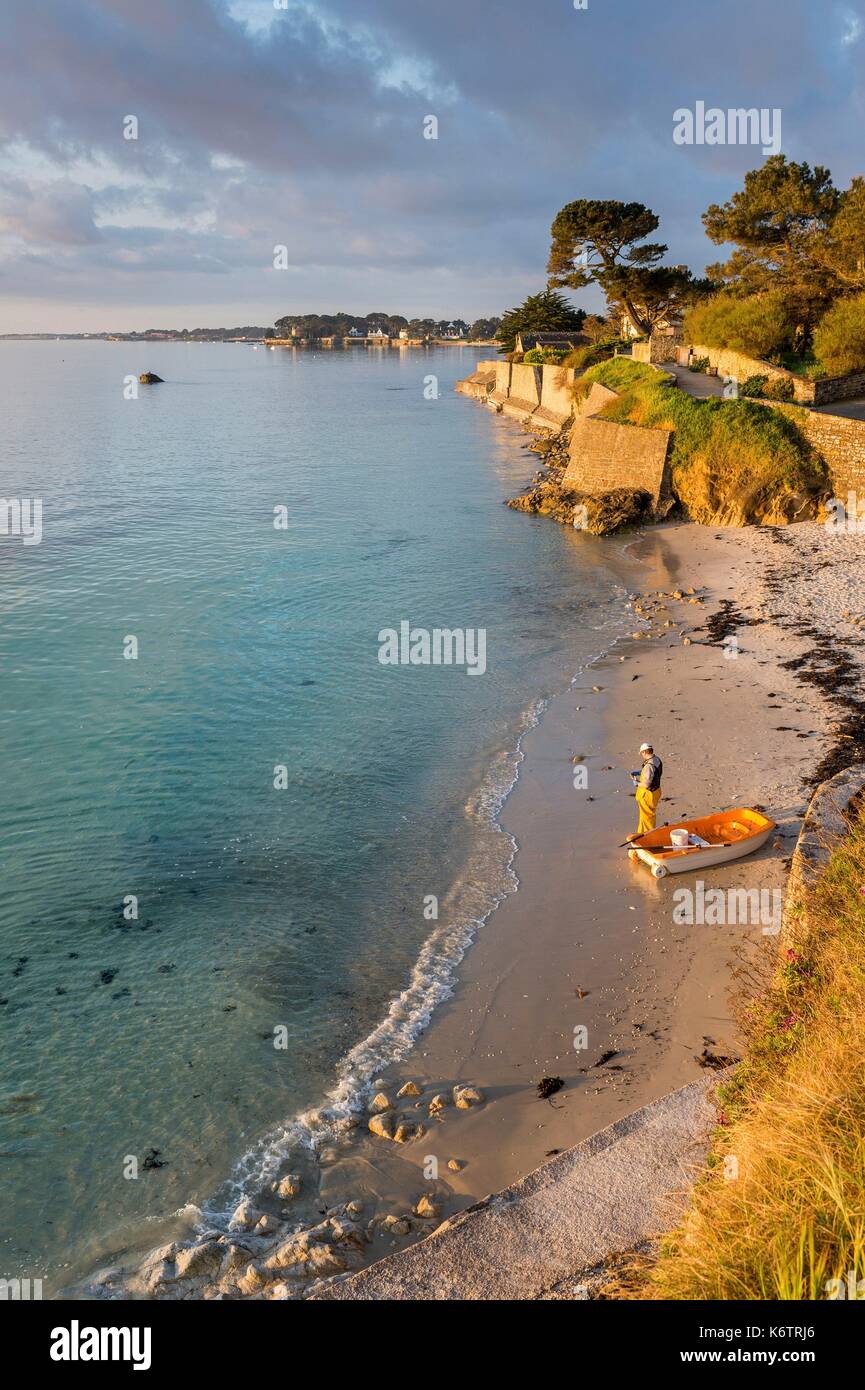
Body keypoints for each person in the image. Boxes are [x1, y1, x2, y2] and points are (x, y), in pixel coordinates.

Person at [629, 742, 663, 837]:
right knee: (649, 815)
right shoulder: (656, 760)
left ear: (644, 752)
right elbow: (652, 772)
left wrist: (636, 782)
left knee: (646, 817)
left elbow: (646, 783)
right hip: (656, 791)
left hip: (647, 794)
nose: (642, 756)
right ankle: (642, 832)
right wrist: (640, 772)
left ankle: (646, 836)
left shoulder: (648, 766)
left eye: (642, 754)